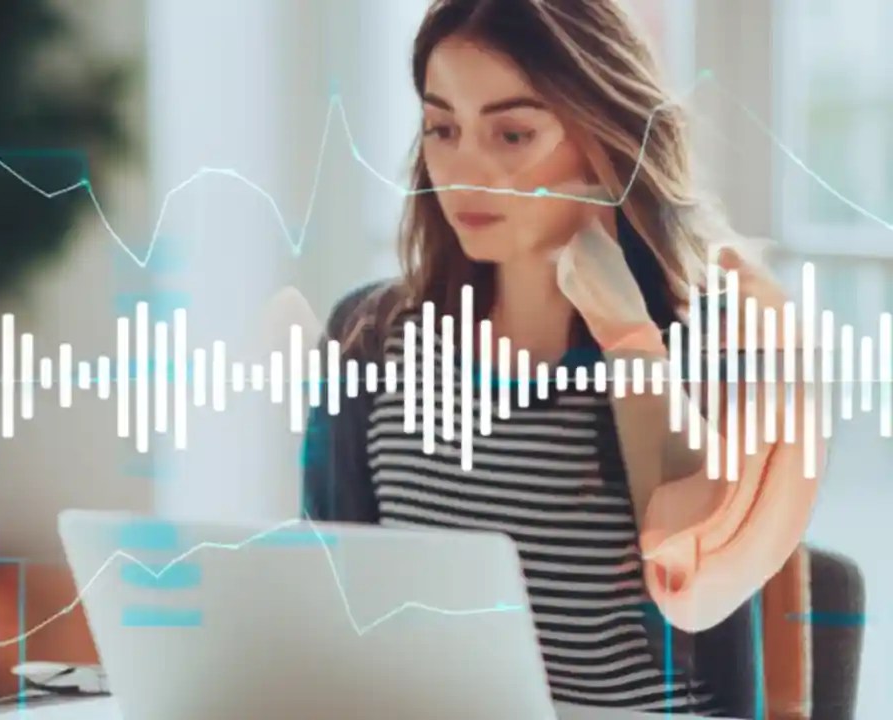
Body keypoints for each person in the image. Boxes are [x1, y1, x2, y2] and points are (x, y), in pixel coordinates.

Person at [301, 0, 821, 715]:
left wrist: (627, 334)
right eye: (442, 129)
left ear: (603, 137)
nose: (464, 170)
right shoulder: (369, 338)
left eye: (512, 133)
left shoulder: (726, 344)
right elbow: (326, 617)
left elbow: (700, 573)